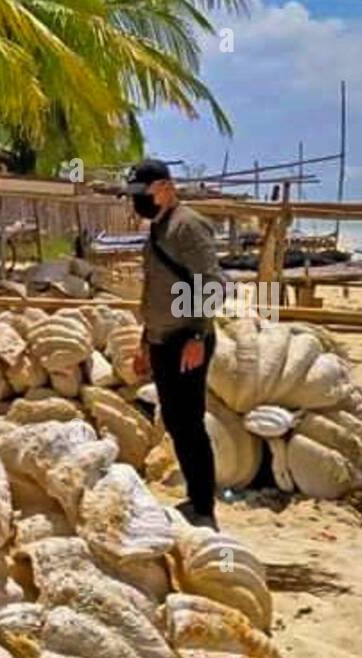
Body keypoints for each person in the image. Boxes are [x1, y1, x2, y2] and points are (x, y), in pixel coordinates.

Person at [126, 157, 226, 530]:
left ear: (166, 187)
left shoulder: (188, 226)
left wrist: (198, 334)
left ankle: (204, 507)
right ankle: (195, 500)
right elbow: (154, 289)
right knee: (175, 421)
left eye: (143, 193)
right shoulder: (158, 228)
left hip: (188, 340)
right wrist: (145, 342)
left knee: (190, 423)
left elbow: (211, 283)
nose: (138, 200)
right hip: (163, 341)